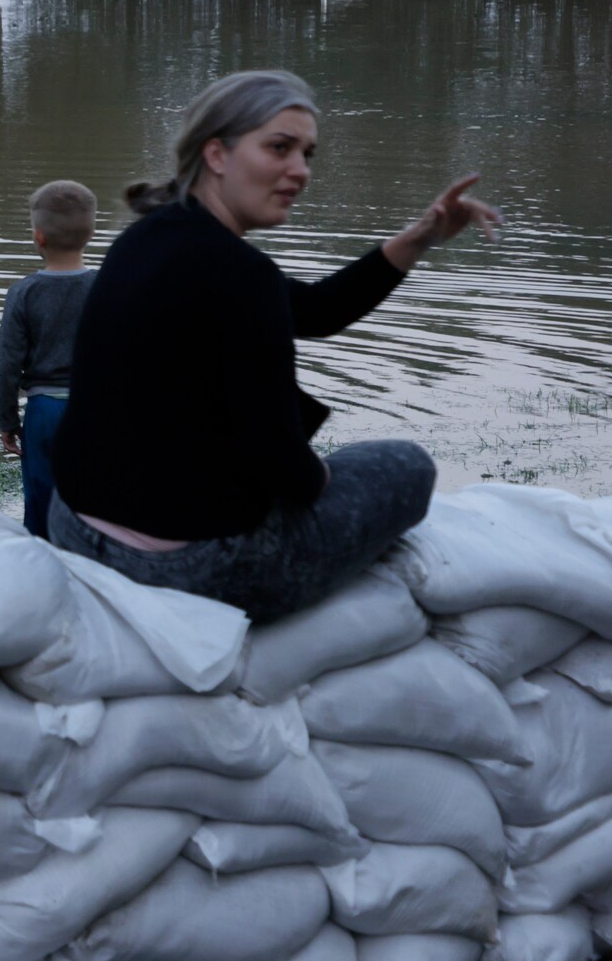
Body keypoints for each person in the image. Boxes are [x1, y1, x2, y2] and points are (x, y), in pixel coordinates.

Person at [47, 69, 501, 622]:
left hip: (71, 525)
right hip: (191, 567)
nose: (300, 171)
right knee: (403, 465)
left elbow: (313, 312)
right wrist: (321, 479)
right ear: (217, 153)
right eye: (280, 148)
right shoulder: (241, 273)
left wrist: (420, 236)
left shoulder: (142, 238)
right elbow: (284, 468)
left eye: (307, 154)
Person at [0, 180, 98, 541]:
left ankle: (45, 573)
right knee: (95, 502)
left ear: (39, 237)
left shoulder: (24, 292)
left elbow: (9, 361)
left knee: (41, 503)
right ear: (91, 233)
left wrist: (7, 419)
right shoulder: (105, 287)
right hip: (96, 410)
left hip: (44, 414)